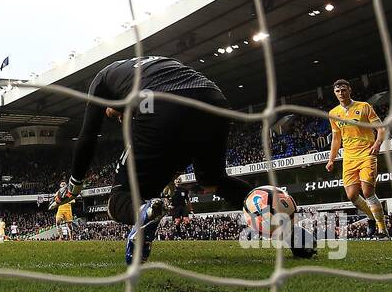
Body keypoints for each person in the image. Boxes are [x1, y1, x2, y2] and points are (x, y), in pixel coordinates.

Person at [60, 56, 252, 264]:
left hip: (159, 102)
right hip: (214, 99)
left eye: (116, 116)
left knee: (119, 198)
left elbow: (87, 137)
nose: (119, 119)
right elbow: (176, 134)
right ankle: (286, 222)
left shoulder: (101, 80)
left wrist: (75, 184)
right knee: (213, 179)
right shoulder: (151, 67)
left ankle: (143, 213)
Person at [325, 79, 387, 235]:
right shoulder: (333, 113)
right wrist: (331, 159)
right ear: (334, 93)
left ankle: (382, 229)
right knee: (352, 195)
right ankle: (371, 217)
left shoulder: (364, 106)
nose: (341, 93)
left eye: (344, 90)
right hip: (349, 157)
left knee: (367, 192)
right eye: (338, 91)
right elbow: (336, 138)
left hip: (367, 153)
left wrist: (378, 143)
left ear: (349, 90)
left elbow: (380, 128)